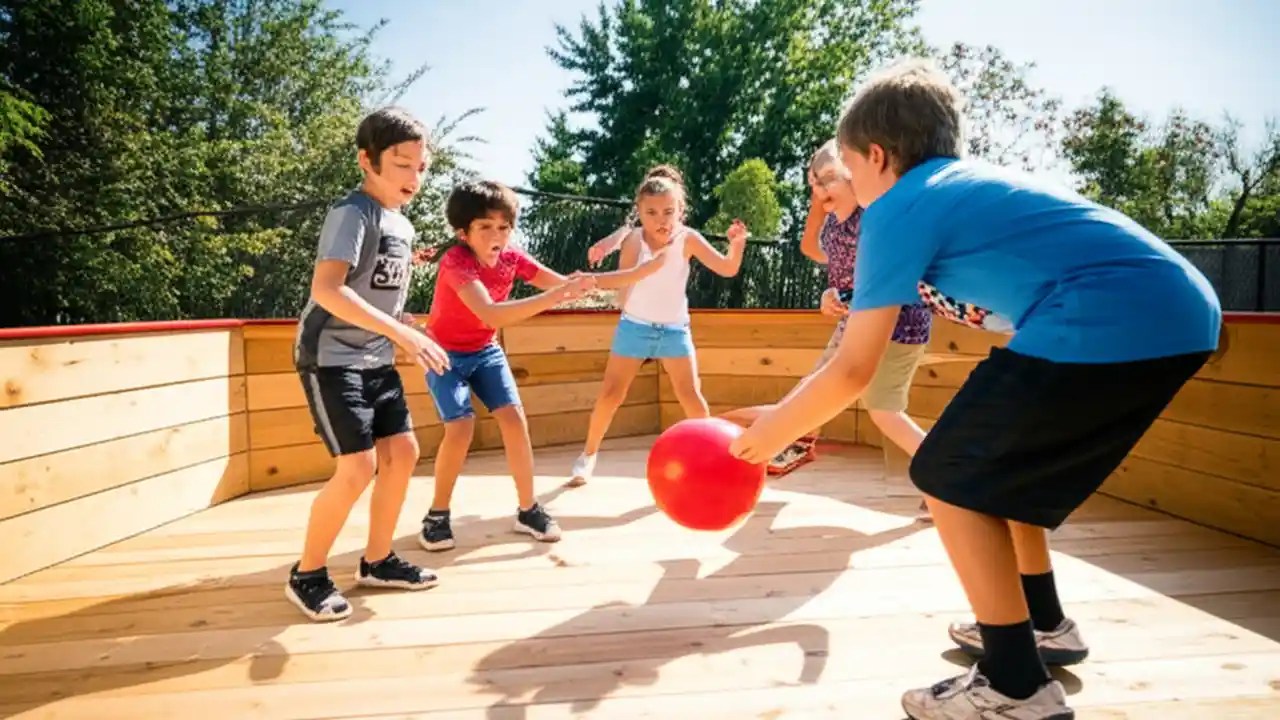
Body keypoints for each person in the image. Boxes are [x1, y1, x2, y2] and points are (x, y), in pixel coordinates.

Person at [728, 58, 1221, 720]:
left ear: (877, 156)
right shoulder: (960, 186)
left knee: (946, 471)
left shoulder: (900, 206)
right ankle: (1044, 626)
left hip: (1109, 314)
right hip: (1177, 313)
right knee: (995, 479)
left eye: (848, 166)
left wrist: (768, 438)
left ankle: (1017, 685)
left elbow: (852, 369)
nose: (850, 183)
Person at [418, 179, 668, 551]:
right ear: (463, 232)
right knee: (460, 428)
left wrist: (624, 276)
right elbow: (491, 313)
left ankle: (527, 509)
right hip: (445, 354)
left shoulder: (512, 258)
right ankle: (436, 516)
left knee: (515, 421)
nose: (496, 235)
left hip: (484, 351)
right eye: (485, 227)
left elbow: (565, 283)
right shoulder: (456, 262)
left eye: (503, 227)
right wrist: (557, 295)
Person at [287, 106, 451, 622]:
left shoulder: (401, 223)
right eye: (402, 164)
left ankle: (377, 561)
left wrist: (407, 330)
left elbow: (382, 300)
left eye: (422, 167)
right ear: (367, 160)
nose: (414, 176)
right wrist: (400, 332)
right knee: (357, 466)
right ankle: (307, 575)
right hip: (331, 358)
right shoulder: (352, 213)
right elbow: (327, 290)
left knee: (403, 452)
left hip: (375, 358)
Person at [720, 141, 933, 503]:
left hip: (900, 329)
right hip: (857, 324)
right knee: (812, 391)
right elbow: (836, 272)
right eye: (812, 185)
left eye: (825, 181)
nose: (817, 192)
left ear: (856, 177)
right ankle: (797, 441)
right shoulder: (835, 227)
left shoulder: (875, 220)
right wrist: (830, 296)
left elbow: (888, 279)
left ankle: (944, 478)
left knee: (883, 411)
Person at [568, 165, 749, 486]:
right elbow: (625, 278)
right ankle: (588, 455)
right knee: (611, 394)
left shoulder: (687, 239)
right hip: (634, 326)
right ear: (639, 212)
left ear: (681, 210)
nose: (660, 219)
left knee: (691, 396)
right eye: (651, 212)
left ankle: (712, 457)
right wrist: (598, 280)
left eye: (668, 211)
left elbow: (727, 268)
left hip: (674, 330)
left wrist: (736, 245)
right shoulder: (634, 240)